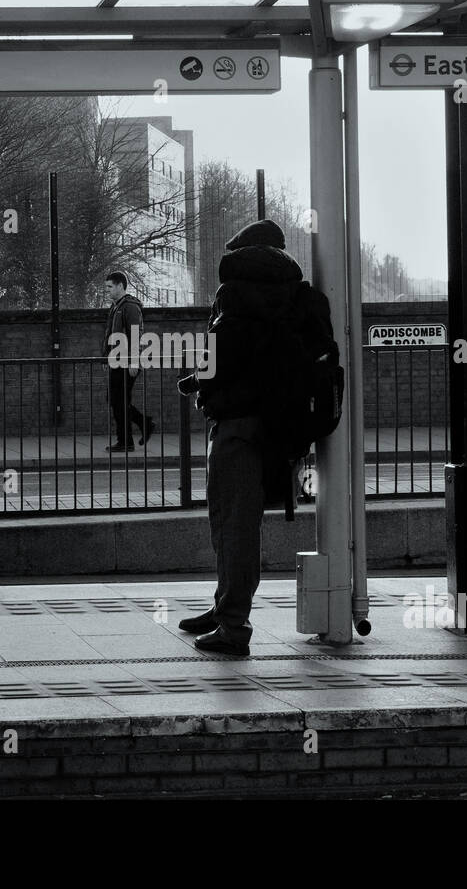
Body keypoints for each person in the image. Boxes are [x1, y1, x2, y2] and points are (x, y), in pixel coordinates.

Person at [176, 219, 302, 656]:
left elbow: (223, 354)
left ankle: (233, 625)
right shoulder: (292, 294)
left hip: (236, 425)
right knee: (240, 522)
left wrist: (198, 382)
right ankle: (225, 607)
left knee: (232, 525)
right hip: (275, 424)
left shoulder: (236, 294)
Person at [102, 271, 156, 453]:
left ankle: (126, 440)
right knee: (117, 400)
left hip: (127, 361)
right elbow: (110, 333)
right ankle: (142, 425)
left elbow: (135, 335)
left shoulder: (130, 307)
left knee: (118, 400)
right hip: (117, 360)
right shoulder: (117, 306)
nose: (107, 290)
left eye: (110, 287)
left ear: (120, 286)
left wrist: (134, 362)